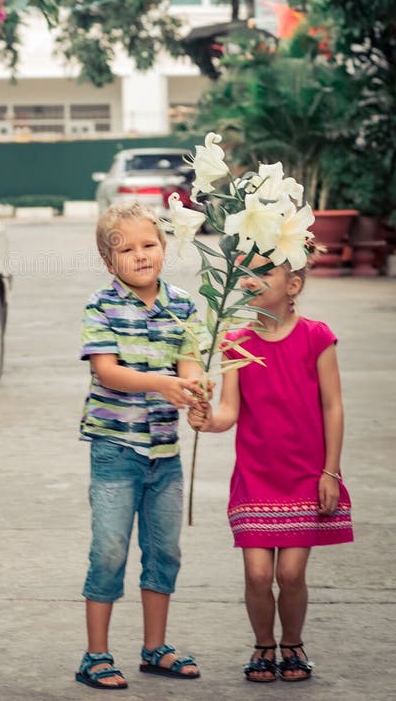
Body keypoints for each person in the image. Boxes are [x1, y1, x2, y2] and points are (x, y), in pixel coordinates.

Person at [188, 252, 354, 683]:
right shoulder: (236, 342)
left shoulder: (317, 337)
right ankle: (263, 644)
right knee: (258, 574)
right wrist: (207, 419)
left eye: (264, 272)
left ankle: (293, 643)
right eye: (245, 272)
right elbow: (229, 411)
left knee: (291, 573)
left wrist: (330, 472)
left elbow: (333, 407)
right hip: (255, 477)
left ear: (292, 285)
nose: (249, 280)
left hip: (305, 476)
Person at [75, 200, 210, 691]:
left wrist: (194, 391)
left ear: (164, 247)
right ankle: (95, 655)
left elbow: (190, 362)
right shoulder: (101, 305)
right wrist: (162, 384)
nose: (140, 255)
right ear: (108, 260)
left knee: (164, 551)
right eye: (126, 249)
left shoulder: (184, 305)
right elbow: (107, 371)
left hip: (165, 454)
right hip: (116, 450)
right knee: (109, 551)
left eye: (148, 244)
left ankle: (155, 648)